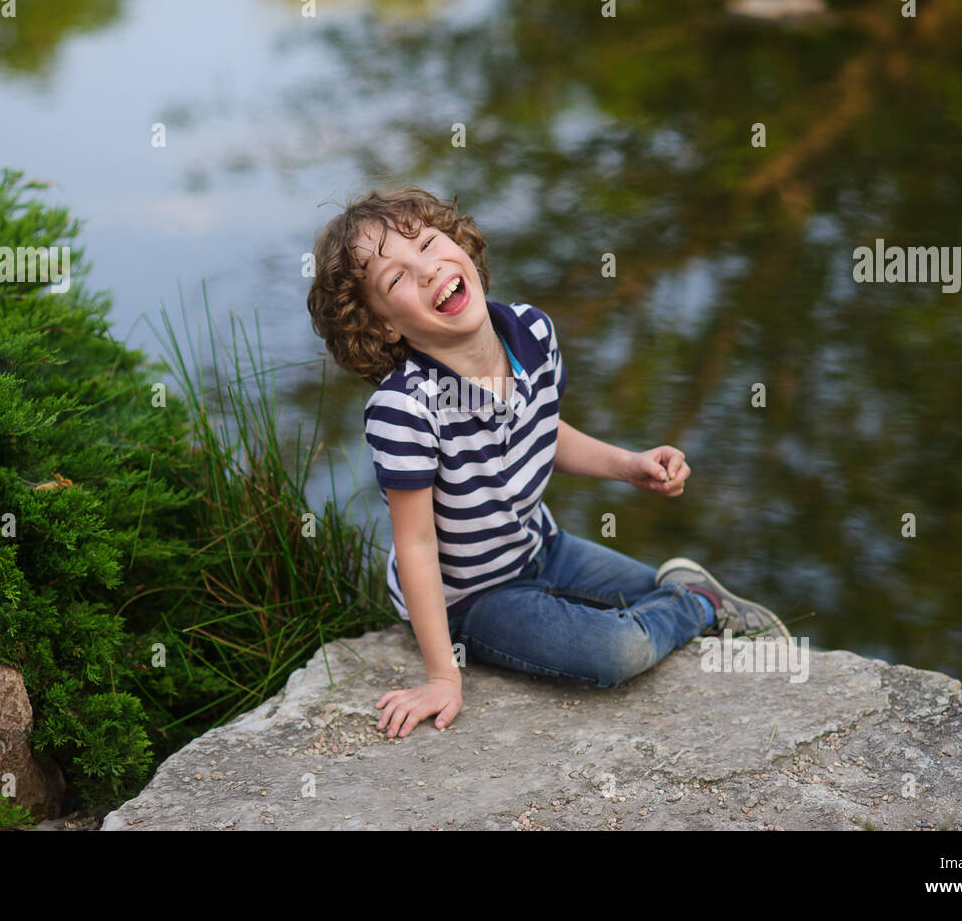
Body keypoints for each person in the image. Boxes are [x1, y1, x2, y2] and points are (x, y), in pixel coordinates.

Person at [307, 186, 789, 739]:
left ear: (459, 244)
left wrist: (628, 465)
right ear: (383, 327)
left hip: (544, 547)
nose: (425, 270)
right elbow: (415, 543)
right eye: (394, 279)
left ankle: (678, 592)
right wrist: (443, 676)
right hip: (474, 597)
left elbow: (543, 432)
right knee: (618, 651)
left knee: (651, 591)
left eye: (430, 243)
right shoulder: (404, 409)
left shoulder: (532, 332)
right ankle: (701, 605)